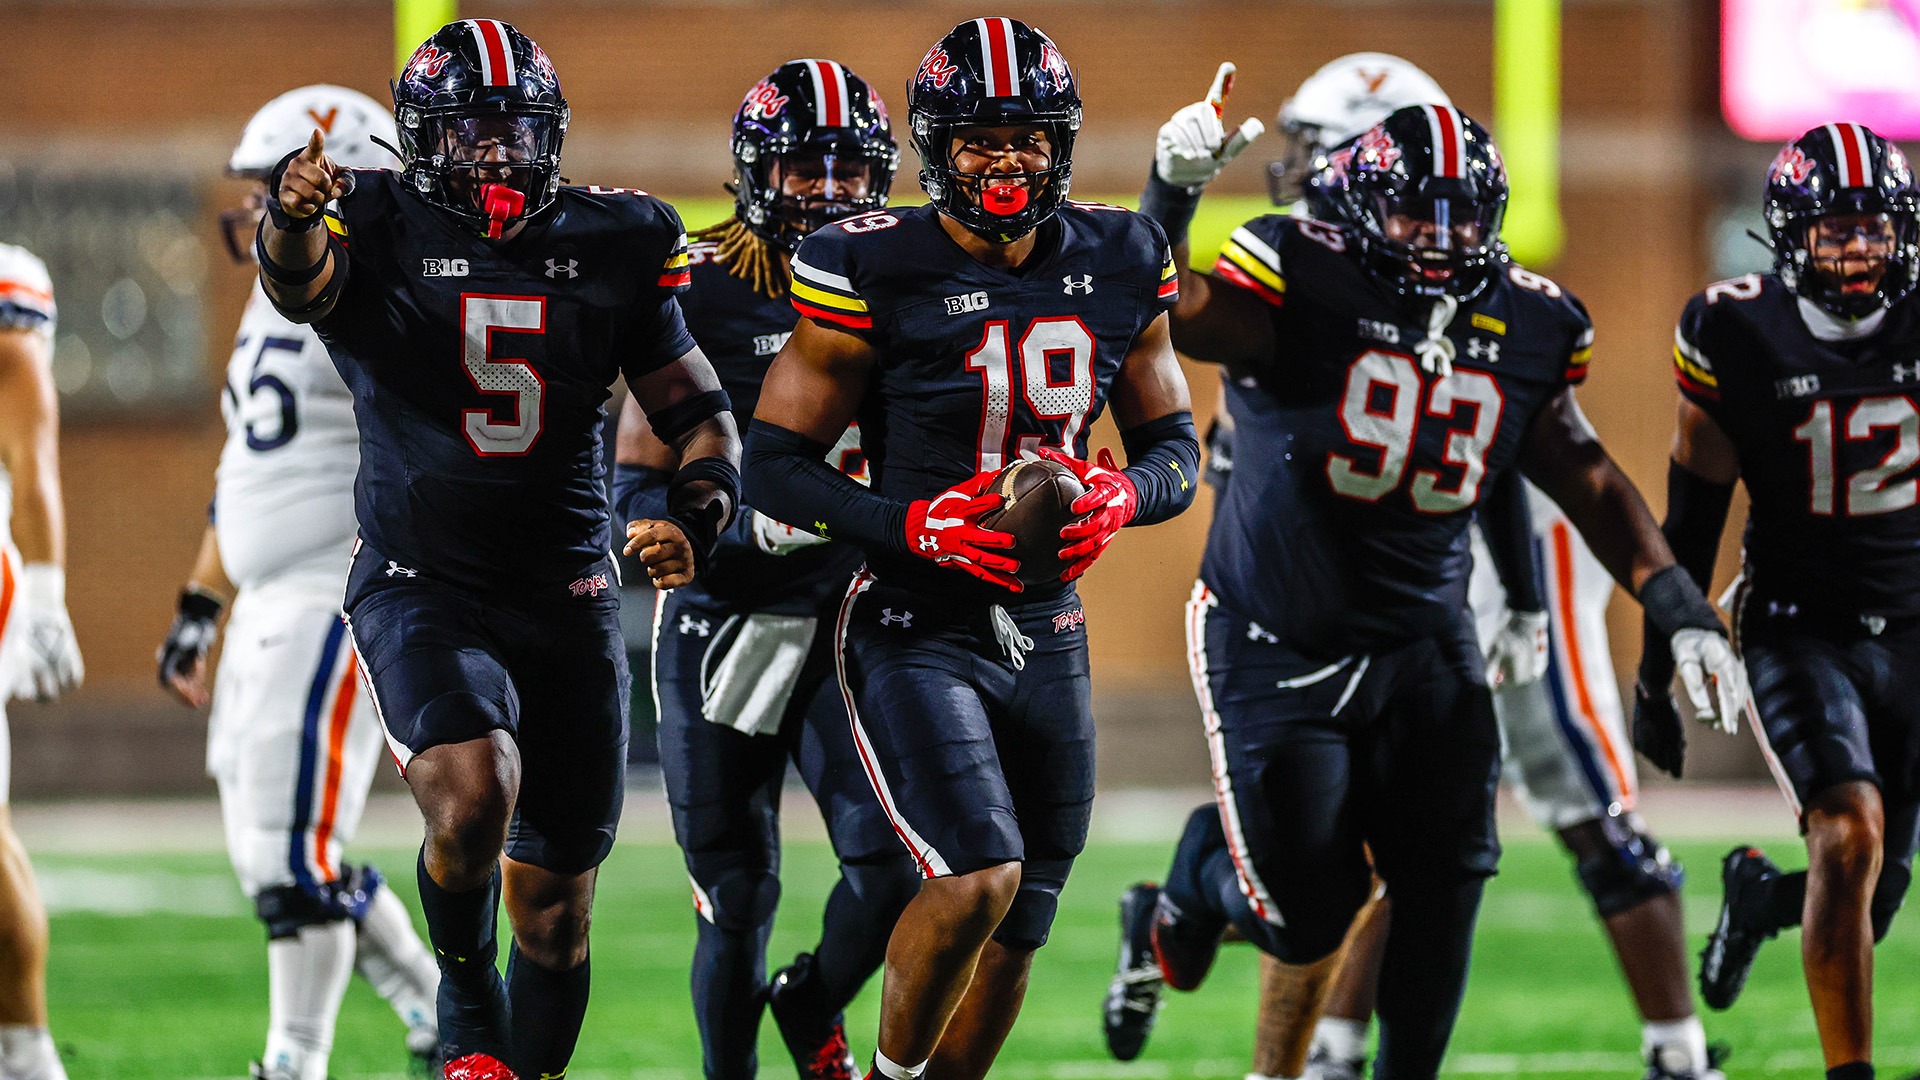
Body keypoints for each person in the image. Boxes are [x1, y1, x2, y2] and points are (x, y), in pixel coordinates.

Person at [1113, 84, 1751, 1080]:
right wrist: (1170, 195)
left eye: (1464, 211)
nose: (1442, 233)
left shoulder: (1529, 319)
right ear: (1363, 206)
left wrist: (1677, 607)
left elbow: (1575, 468)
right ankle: (1192, 888)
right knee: (1313, 913)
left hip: (1422, 637)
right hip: (1278, 633)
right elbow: (1164, 310)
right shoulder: (1300, 268)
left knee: (1446, 879)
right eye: (1418, 208)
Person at [255, 20, 741, 1080]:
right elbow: (299, 284)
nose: (495, 154)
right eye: (470, 133)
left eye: (515, 131)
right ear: (424, 143)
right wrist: (289, 220)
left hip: (565, 594)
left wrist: (696, 511)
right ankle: (464, 997)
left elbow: (697, 413)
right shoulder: (374, 220)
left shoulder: (617, 240)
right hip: (422, 580)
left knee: (559, 914)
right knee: (476, 791)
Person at [742, 18, 1199, 1079]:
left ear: (1062, 143)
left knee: (1024, 918)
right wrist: (913, 524)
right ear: (935, 151)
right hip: (914, 619)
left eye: (1026, 138)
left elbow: (1176, 448)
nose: (1005, 161)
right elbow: (773, 465)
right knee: (976, 876)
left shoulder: (1125, 254)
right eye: (979, 141)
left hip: (1048, 625)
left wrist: (1121, 495)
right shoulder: (866, 260)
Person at [612, 59, 918, 1080]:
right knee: (735, 893)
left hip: (849, 618)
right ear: (755, 171)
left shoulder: (911, 275)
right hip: (723, 615)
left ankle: (812, 1000)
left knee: (891, 868)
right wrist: (694, 536)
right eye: (804, 166)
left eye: (848, 168)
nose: (828, 189)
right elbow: (637, 476)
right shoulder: (697, 283)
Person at [155, 84, 443, 1080]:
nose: (252, 211)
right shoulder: (277, 286)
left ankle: (294, 1060)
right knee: (268, 855)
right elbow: (249, 465)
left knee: (291, 856)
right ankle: (435, 1009)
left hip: (334, 583)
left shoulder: (378, 285)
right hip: (265, 590)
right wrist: (202, 602)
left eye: (271, 185)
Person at [1664, 122, 1920, 1080]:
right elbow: (1696, 501)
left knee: (1876, 891)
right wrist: (1669, 641)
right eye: (1835, 230)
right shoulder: (1734, 326)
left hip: (1913, 619)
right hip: (1797, 624)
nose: (1859, 249)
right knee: (1848, 836)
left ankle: (1755, 898)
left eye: (1875, 228)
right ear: (1789, 236)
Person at [0, 242, 83, 1080]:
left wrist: (51, 599)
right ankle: (24, 1053)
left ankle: (26, 1053)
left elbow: (33, 474)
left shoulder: (8, 340)